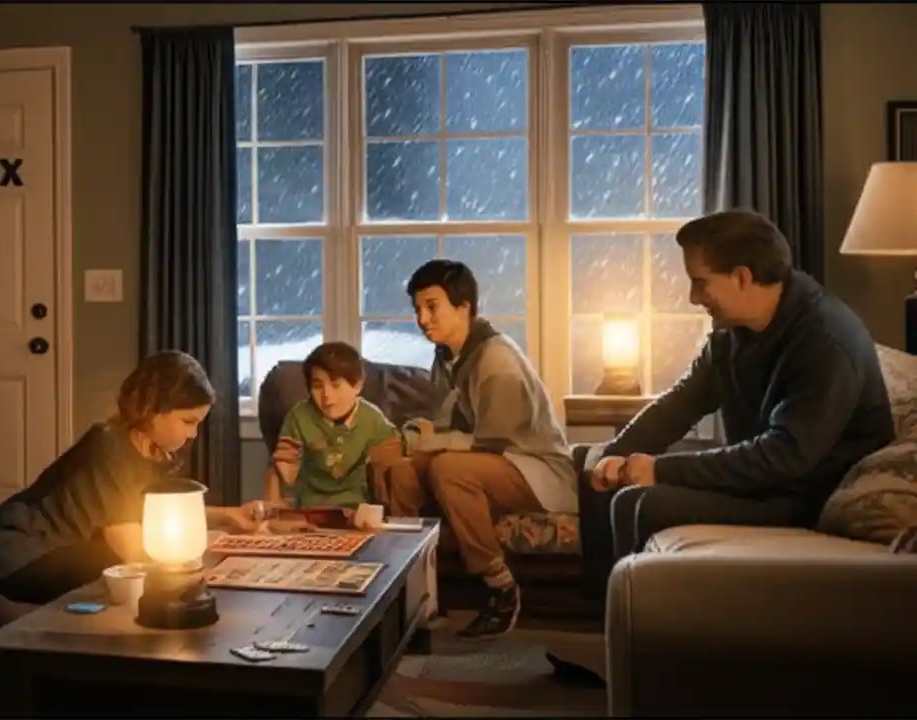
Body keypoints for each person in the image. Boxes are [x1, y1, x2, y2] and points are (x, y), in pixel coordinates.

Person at [0, 350, 297, 716]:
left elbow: (152, 514)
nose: (193, 434)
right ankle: (10, 617)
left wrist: (228, 518)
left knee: (128, 572)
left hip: (65, 550)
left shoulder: (145, 450)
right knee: (131, 570)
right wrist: (212, 553)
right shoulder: (110, 447)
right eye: (188, 421)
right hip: (14, 551)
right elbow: (130, 543)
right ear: (155, 408)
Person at [585, 210, 895, 575]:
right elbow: (680, 404)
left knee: (638, 502)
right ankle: (595, 603)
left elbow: (785, 457)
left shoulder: (825, 341)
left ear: (742, 277)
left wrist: (660, 470)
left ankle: (617, 606)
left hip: (805, 493)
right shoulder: (733, 332)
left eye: (700, 283)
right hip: (761, 479)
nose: (693, 297)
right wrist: (616, 454)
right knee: (591, 460)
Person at [378, 259, 576, 639]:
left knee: (448, 469)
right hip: (496, 460)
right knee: (402, 470)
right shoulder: (450, 356)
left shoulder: (496, 359)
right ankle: (417, 591)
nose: (422, 319)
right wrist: (411, 444)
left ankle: (501, 587)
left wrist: (430, 445)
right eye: (417, 309)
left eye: (432, 307)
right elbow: (446, 425)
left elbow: (493, 441)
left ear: (464, 307)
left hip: (536, 468)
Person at [265, 341, 401, 511]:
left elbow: (392, 470)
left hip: (359, 509)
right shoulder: (298, 417)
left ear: (357, 386)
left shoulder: (373, 419)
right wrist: (273, 510)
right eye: (317, 386)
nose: (327, 396)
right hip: (310, 509)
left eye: (336, 385)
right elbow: (279, 471)